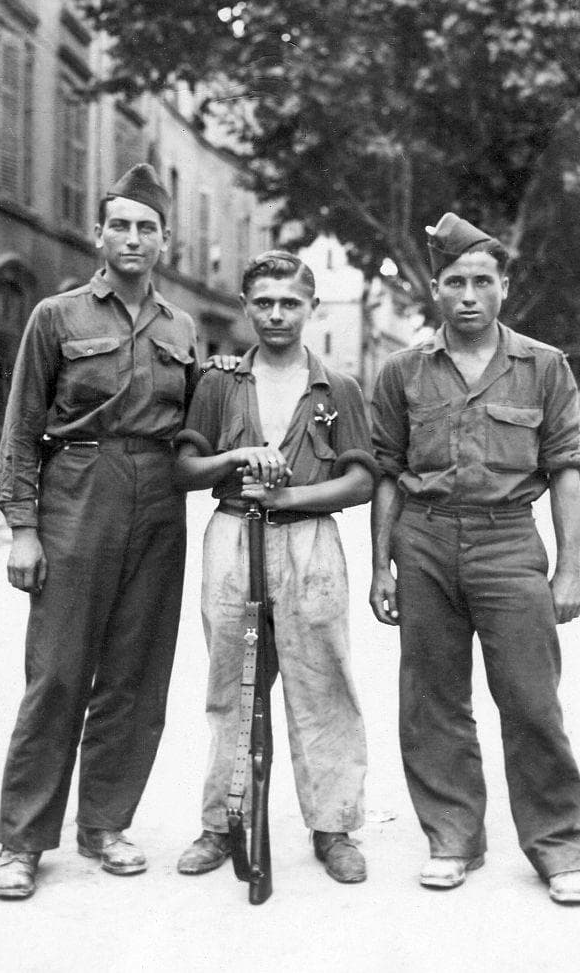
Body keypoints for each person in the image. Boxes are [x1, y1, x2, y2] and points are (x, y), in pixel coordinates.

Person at [369, 212, 580, 905]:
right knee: (432, 701)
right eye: (455, 283)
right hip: (425, 540)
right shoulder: (403, 371)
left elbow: (565, 470)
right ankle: (452, 838)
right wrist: (381, 566)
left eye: (483, 282)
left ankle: (557, 846)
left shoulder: (544, 367)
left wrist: (569, 569)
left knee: (531, 700)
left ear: (504, 288)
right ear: (434, 288)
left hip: (508, 542)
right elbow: (386, 473)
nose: (469, 296)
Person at [0, 164, 200, 899]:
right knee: (57, 673)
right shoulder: (57, 316)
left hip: (159, 499)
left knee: (135, 674)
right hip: (78, 488)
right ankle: (22, 841)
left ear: (165, 239)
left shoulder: (182, 328)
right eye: (121, 225)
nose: (133, 238)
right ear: (99, 234)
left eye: (147, 227)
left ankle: (106, 824)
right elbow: (21, 428)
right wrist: (23, 528)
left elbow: (195, 429)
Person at [174, 251, 378, 884]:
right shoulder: (219, 383)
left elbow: (362, 480)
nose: (277, 314)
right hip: (234, 535)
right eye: (263, 302)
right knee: (232, 683)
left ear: (312, 307)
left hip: (310, 541)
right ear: (245, 307)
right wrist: (237, 457)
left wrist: (288, 496)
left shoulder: (337, 388)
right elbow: (184, 469)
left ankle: (333, 827)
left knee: (324, 683)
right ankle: (221, 822)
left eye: (290, 302)